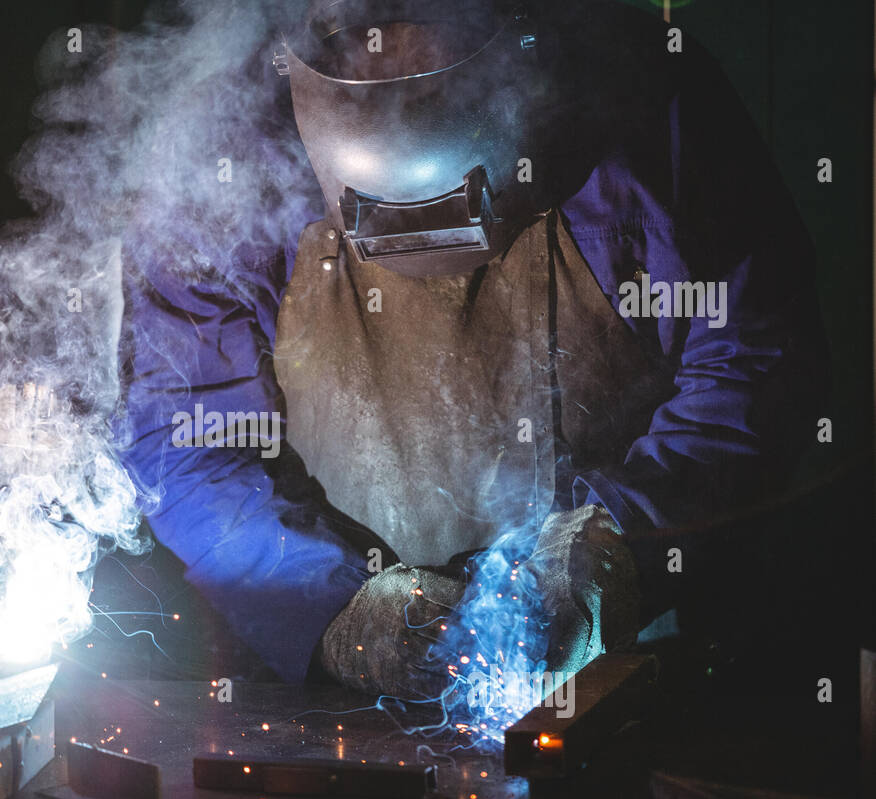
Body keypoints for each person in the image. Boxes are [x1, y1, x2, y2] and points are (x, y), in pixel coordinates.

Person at [118, 0, 827, 698]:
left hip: (631, 673)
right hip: (346, 697)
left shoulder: (642, 100)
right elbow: (187, 433)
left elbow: (752, 367)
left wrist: (611, 553)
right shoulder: (224, 150)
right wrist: (333, 609)